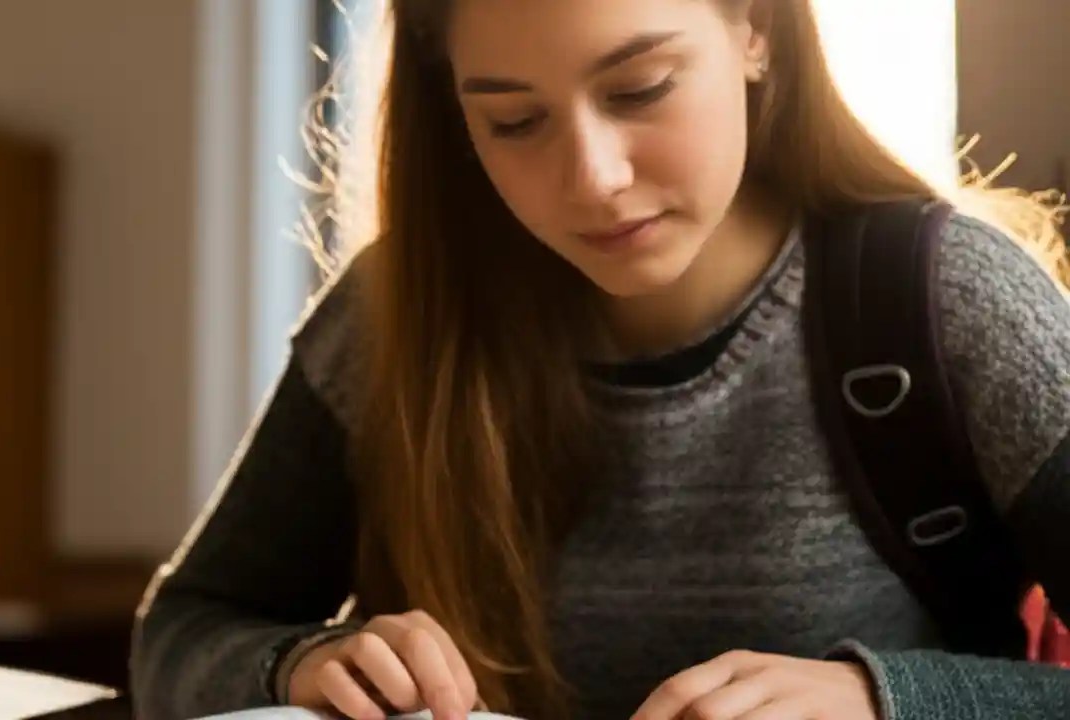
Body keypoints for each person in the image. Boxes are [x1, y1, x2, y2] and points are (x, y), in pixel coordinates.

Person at [130, 0, 1070, 718]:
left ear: (754, 30)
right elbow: (179, 634)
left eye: (640, 89)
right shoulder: (393, 320)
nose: (593, 179)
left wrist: (884, 702)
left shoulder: (951, 305)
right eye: (514, 121)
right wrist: (299, 665)